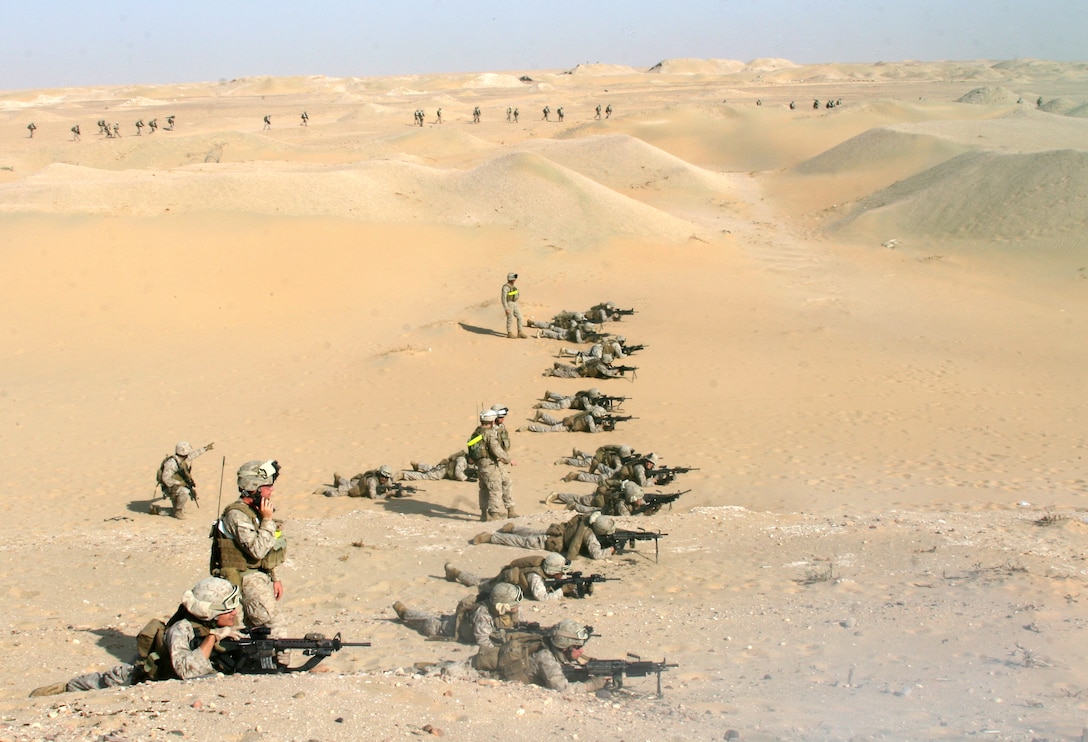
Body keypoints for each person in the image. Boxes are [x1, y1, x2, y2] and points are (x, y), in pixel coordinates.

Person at [30, 577, 244, 696]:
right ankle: (61, 689)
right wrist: (212, 638)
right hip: (141, 676)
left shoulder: (213, 627)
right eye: (229, 610)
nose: (234, 613)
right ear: (210, 613)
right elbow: (187, 670)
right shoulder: (182, 628)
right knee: (97, 683)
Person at [211, 460, 287, 644]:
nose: (271, 491)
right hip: (244, 578)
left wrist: (274, 577)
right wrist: (268, 520)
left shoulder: (254, 511)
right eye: (267, 486)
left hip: (257, 575)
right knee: (275, 626)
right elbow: (258, 550)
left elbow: (268, 549)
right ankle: (280, 666)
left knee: (259, 629)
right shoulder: (236, 515)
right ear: (254, 487)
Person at [392, 582, 522, 647]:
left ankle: (405, 613)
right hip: (441, 629)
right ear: (500, 606)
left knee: (434, 618)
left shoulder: (507, 611)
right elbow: (482, 641)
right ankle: (404, 613)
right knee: (425, 621)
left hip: (456, 622)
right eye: (513, 604)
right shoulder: (484, 615)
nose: (516, 606)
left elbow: (513, 626)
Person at [472, 511, 616, 561]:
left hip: (557, 531)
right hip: (554, 540)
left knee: (534, 532)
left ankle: (513, 528)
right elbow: (596, 554)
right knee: (525, 542)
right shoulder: (589, 534)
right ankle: (491, 537)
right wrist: (610, 551)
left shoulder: (586, 519)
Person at [444, 552, 571, 601]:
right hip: (503, 583)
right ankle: (455, 572)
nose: (562, 574)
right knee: (480, 584)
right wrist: (562, 591)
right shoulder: (535, 576)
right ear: (552, 570)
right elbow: (542, 597)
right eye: (560, 571)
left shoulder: (546, 572)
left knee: (482, 580)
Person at [153, 441, 214, 519]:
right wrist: (180, 483)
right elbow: (166, 479)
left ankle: (158, 510)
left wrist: (205, 448)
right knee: (185, 492)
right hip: (169, 487)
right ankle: (178, 512)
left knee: (180, 507)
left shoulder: (181, 459)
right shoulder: (172, 463)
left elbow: (193, 455)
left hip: (175, 486)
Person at [468, 409, 509, 521]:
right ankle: (494, 514)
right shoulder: (489, 434)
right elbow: (496, 449)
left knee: (484, 490)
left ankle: (483, 514)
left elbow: (471, 446)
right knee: (496, 489)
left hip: (480, 466)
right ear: (491, 421)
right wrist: (508, 459)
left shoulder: (477, 432)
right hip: (490, 465)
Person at [547, 479, 644, 516]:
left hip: (605, 504)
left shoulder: (629, 494)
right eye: (638, 499)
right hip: (599, 499)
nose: (641, 500)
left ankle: (573, 506)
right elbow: (627, 517)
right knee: (581, 500)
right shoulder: (621, 503)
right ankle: (558, 496)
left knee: (589, 509)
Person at [491, 404, 517, 517]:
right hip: (491, 462)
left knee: (506, 483)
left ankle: (510, 510)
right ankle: (493, 512)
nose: (503, 419)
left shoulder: (501, 427)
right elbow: (494, 447)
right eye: (501, 417)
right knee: (494, 487)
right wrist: (508, 459)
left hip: (501, 461)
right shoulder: (488, 429)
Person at [317, 465, 395, 498]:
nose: (384, 479)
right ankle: (324, 490)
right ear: (379, 474)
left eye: (386, 477)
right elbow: (373, 497)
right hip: (356, 487)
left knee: (345, 482)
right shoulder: (372, 481)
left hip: (359, 484)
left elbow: (391, 486)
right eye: (383, 476)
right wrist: (387, 494)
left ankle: (339, 479)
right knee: (335, 494)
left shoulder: (386, 480)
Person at [399, 450, 474, 481]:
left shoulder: (465, 459)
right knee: (427, 476)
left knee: (432, 468)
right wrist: (466, 478)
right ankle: (404, 475)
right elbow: (458, 473)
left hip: (443, 468)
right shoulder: (462, 460)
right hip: (443, 471)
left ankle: (419, 466)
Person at [523, 407, 610, 434]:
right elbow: (593, 430)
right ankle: (530, 427)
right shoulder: (590, 418)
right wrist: (601, 427)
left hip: (569, 421)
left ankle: (542, 415)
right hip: (568, 426)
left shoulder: (589, 414)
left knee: (555, 422)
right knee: (549, 429)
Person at [501, 272, 526, 339]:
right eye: (514, 279)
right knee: (510, 319)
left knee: (520, 317)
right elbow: (503, 299)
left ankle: (520, 332)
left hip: (514, 303)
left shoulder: (514, 287)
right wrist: (506, 308)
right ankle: (509, 333)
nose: (515, 280)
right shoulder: (505, 288)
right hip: (509, 304)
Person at [534, 387, 603, 411]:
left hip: (572, 398)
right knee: (558, 406)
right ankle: (541, 405)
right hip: (570, 403)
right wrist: (597, 406)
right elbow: (588, 408)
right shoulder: (585, 399)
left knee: (562, 398)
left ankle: (550, 394)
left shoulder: (588, 396)